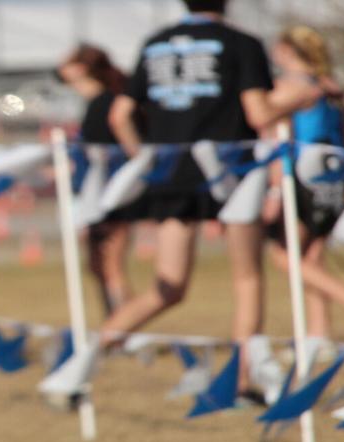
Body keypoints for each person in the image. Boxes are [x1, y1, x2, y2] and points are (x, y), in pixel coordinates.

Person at [89, 0, 279, 401]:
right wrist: (303, 96)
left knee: (169, 285)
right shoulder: (242, 43)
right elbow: (259, 114)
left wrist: (144, 160)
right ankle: (241, 383)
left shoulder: (155, 42)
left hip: (172, 172)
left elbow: (120, 115)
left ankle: (82, 361)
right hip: (230, 172)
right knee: (247, 278)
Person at [260, 26, 344, 346]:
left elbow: (278, 140)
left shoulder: (290, 89)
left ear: (289, 51)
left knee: (285, 256)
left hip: (303, 180)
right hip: (334, 181)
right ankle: (319, 336)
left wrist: (275, 191)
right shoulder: (334, 90)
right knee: (312, 258)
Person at [57, 43, 144, 318]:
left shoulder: (106, 103)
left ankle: (124, 327)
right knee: (99, 268)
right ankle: (115, 325)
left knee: (112, 268)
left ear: (82, 68)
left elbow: (114, 155)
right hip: (97, 196)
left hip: (111, 196)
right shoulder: (98, 103)